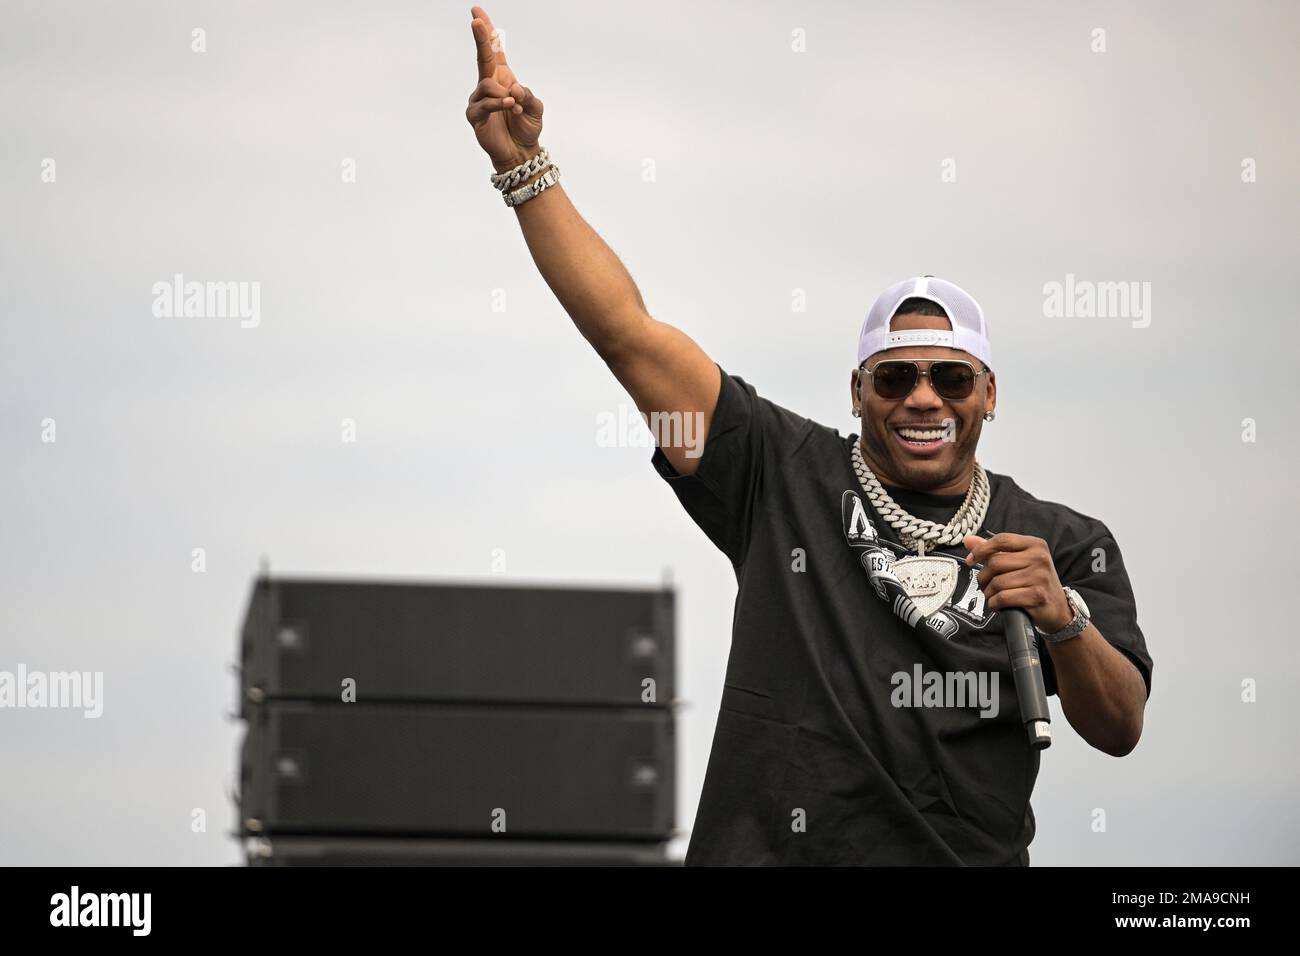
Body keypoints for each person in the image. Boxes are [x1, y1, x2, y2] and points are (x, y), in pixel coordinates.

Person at [464, 6, 1152, 865]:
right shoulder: (776, 475)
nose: (923, 399)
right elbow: (628, 335)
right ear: (859, 392)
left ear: (989, 393)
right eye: (895, 377)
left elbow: (1119, 725)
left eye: (951, 377)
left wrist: (1063, 620)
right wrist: (525, 166)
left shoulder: (1062, 544)